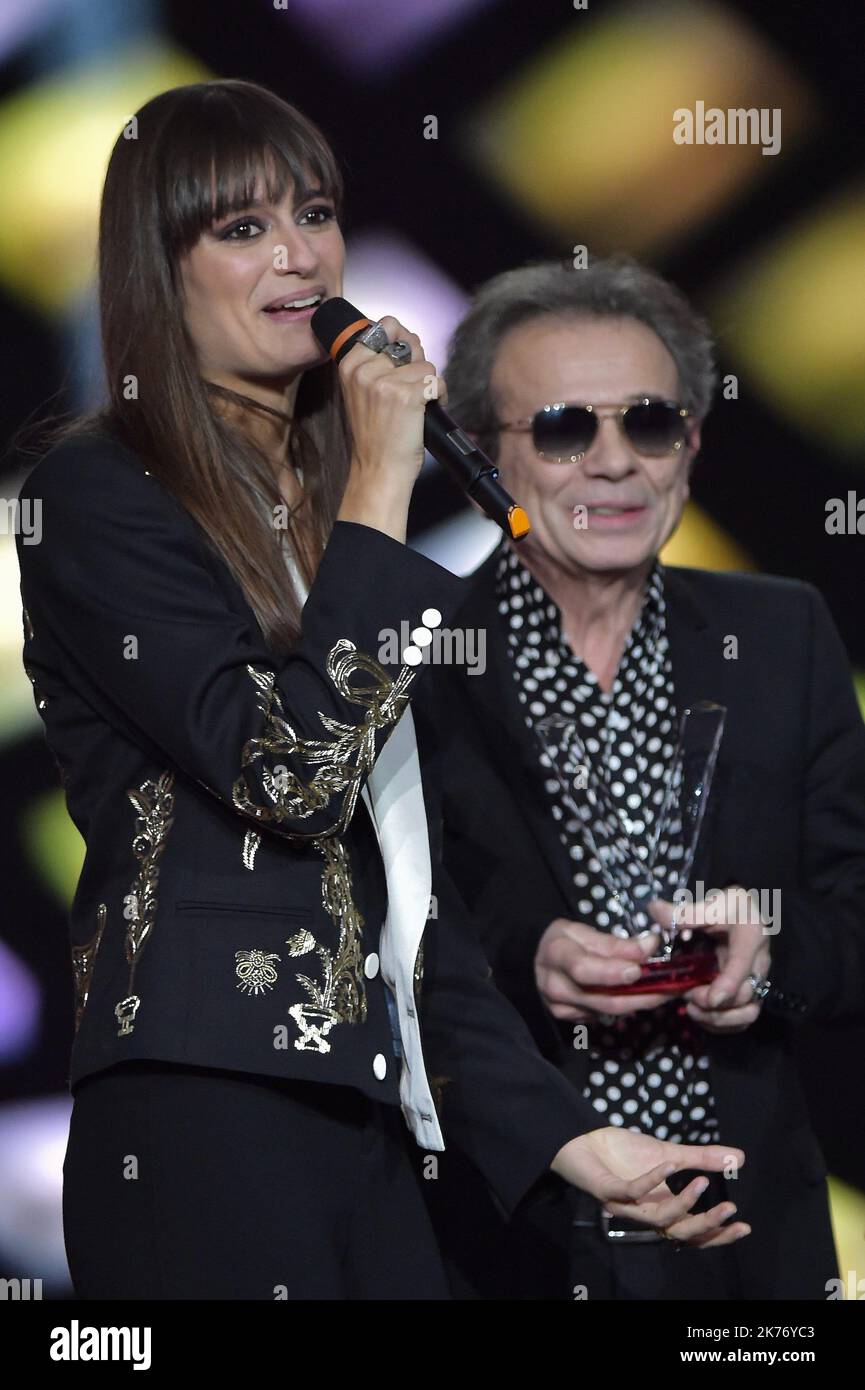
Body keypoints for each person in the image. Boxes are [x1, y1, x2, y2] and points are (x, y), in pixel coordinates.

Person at [13, 85, 746, 1301]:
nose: (301, 255)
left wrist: (564, 1138)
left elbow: (408, 903)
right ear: (163, 268)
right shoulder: (99, 494)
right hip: (205, 1115)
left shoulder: (331, 532)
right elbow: (288, 774)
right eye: (241, 229)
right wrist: (381, 485)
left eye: (315, 213)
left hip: (380, 1127)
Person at [426, 254, 865, 1300]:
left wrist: (763, 944)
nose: (614, 462)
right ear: (485, 454)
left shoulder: (781, 631)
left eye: (651, 424)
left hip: (748, 1242)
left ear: (692, 446)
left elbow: (851, 920)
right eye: (566, 428)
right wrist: (527, 956)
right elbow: (376, 956)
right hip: (511, 1242)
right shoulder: (415, 659)